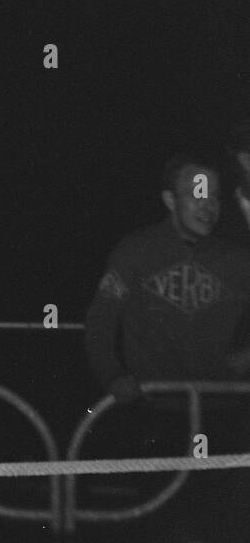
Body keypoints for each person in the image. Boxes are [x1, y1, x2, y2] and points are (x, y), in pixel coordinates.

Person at [85, 154, 250, 403]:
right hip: (152, 406)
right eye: (196, 195)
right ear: (170, 200)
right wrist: (113, 377)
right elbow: (101, 321)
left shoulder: (237, 260)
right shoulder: (135, 252)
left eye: (214, 196)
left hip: (221, 405)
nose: (208, 205)